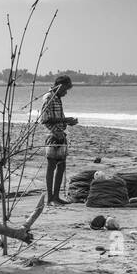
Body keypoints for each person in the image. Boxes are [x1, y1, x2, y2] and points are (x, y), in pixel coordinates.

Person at [39, 75, 78, 203]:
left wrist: (67, 123)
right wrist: (65, 120)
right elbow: (44, 119)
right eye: (65, 89)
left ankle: (56, 196)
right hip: (52, 135)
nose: (66, 93)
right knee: (51, 166)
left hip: (61, 134)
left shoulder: (57, 98)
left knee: (61, 166)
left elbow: (57, 117)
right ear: (60, 86)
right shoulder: (49, 97)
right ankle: (50, 198)